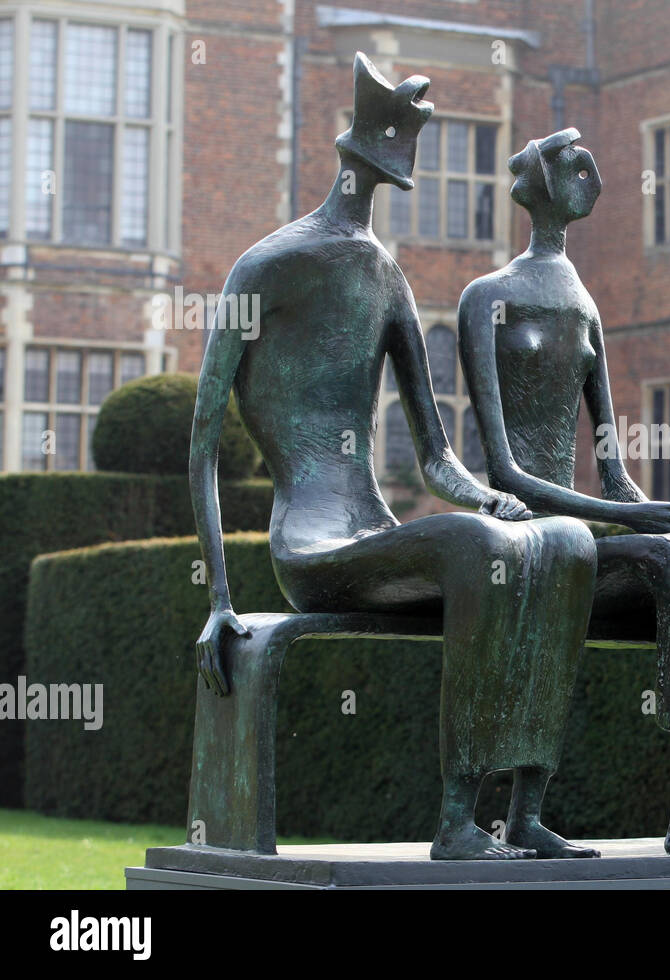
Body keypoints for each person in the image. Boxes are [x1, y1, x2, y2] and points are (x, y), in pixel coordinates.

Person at [190, 53, 599, 861]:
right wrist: (218, 597)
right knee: (478, 547)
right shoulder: (270, 264)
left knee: (565, 543)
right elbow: (202, 439)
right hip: (312, 546)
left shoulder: (389, 280)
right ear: (354, 159)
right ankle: (456, 821)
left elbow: (439, 458)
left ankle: (524, 807)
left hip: (370, 529)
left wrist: (489, 498)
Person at [457, 129, 670, 854]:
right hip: (527, 532)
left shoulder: (583, 303)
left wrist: (669, 515)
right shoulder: (486, 297)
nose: (590, 173)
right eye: (570, 164)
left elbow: (613, 465)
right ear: (536, 188)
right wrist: (630, 513)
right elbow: (505, 474)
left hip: (587, 526)